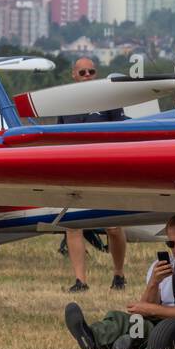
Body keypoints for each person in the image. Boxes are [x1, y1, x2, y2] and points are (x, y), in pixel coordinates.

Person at [64, 214, 175, 349]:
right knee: (126, 320)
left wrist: (153, 310)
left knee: (162, 334)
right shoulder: (160, 266)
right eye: (170, 244)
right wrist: (153, 283)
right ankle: (92, 338)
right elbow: (144, 308)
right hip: (158, 322)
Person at [59, 56, 129, 292]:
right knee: (73, 225)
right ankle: (81, 281)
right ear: (74, 75)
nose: (88, 76)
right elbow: (58, 138)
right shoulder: (65, 103)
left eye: (92, 72)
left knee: (113, 227)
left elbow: (122, 132)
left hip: (104, 171)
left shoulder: (108, 100)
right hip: (74, 171)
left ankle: (119, 274)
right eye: (83, 73)